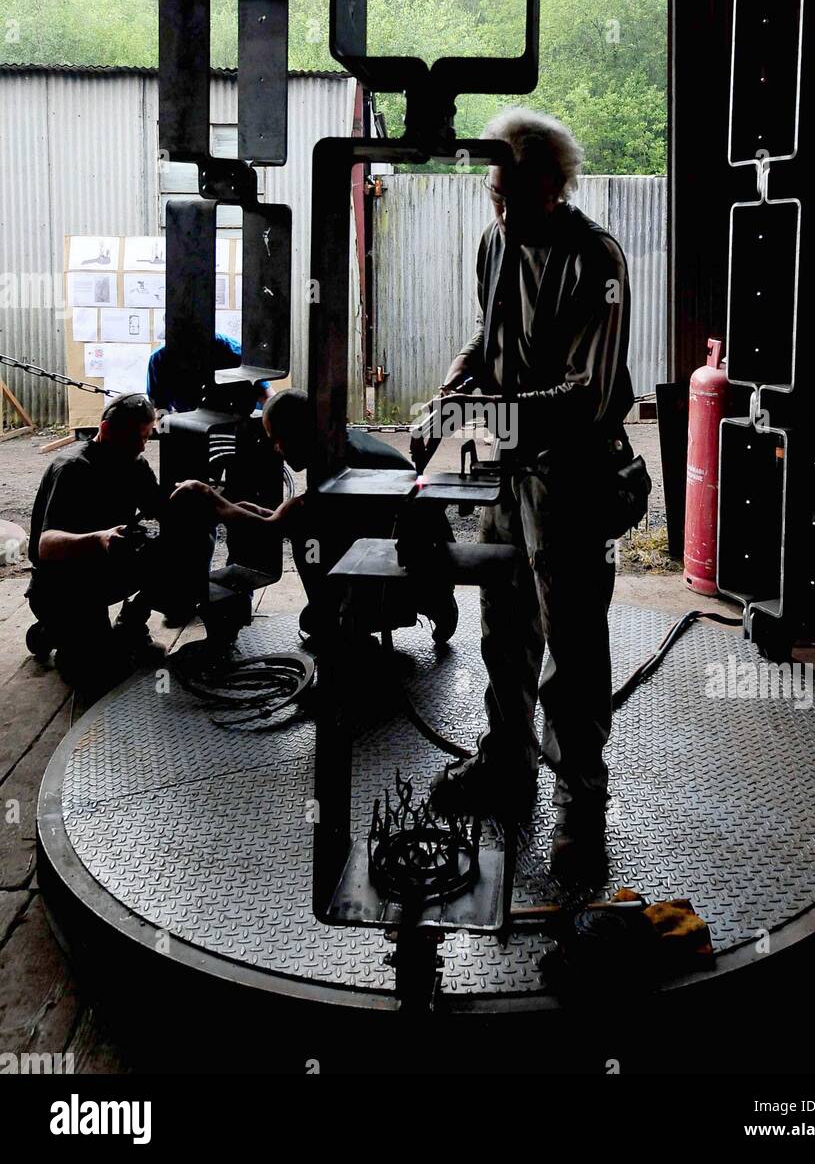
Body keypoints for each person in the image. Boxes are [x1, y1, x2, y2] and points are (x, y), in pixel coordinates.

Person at [428, 107, 635, 886]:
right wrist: (458, 378)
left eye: (511, 194)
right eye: (491, 194)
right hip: (505, 464)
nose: (499, 210)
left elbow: (585, 394)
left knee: (572, 641)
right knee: (503, 623)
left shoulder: (596, 258)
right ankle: (507, 764)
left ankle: (581, 799)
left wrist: (477, 420)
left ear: (553, 184)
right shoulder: (494, 243)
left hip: (570, 472)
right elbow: (488, 332)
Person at [175, 389, 459, 646]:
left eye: (278, 439)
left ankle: (380, 613)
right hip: (413, 552)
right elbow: (289, 512)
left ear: (296, 432)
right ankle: (410, 605)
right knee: (308, 531)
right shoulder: (336, 443)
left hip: (415, 567)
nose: (276, 449)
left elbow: (275, 525)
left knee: (307, 539)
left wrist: (206, 495)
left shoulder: (340, 462)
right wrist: (232, 504)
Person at [25, 393, 212, 697]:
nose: (142, 445)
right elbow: (46, 546)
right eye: (137, 437)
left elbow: (162, 510)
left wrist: (195, 494)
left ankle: (130, 625)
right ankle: (53, 632)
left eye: (147, 436)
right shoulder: (73, 468)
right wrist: (98, 538)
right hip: (63, 585)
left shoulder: (134, 464)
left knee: (181, 543)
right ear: (108, 430)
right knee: (98, 676)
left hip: (105, 570)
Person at [146, 333, 270, 414]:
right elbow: (161, 410)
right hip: (191, 418)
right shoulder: (159, 360)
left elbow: (266, 396)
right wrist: (168, 439)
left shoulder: (231, 351)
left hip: (238, 419)